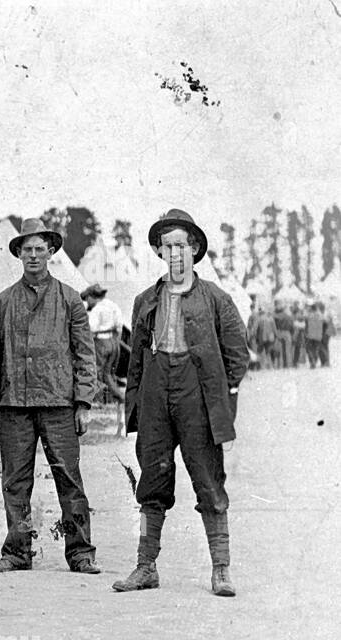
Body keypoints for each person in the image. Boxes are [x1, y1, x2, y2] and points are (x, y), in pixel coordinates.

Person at [113, 209, 249, 598]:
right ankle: (145, 566)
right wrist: (138, 401)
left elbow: (237, 355)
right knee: (151, 479)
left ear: (194, 250)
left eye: (181, 246)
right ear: (159, 251)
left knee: (208, 479)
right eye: (167, 246)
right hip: (156, 393)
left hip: (196, 394)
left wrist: (220, 395)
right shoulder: (144, 301)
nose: (175, 253)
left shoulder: (216, 300)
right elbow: (136, 358)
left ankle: (220, 569)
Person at [0, 219, 100, 574]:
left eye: (40, 249)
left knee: (69, 478)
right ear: (18, 254)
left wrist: (83, 402)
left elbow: (85, 353)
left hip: (59, 405)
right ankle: (17, 552)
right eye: (27, 250)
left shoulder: (70, 299)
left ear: (51, 253)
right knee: (15, 481)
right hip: (14, 406)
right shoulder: (3, 301)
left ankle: (80, 553)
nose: (33, 256)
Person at [82, 283, 125, 403]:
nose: (87, 302)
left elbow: (91, 328)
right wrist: (115, 342)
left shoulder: (97, 309)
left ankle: (101, 399)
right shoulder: (113, 305)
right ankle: (114, 397)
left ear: (92, 297)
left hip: (100, 341)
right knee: (109, 373)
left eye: (87, 299)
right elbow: (119, 326)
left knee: (97, 371)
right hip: (113, 342)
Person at [304, 302, 327, 368]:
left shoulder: (309, 315)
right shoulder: (320, 315)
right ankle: (314, 361)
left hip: (310, 335)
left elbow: (304, 318)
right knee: (316, 349)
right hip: (318, 336)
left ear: (311, 308)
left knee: (309, 349)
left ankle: (312, 361)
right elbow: (325, 322)